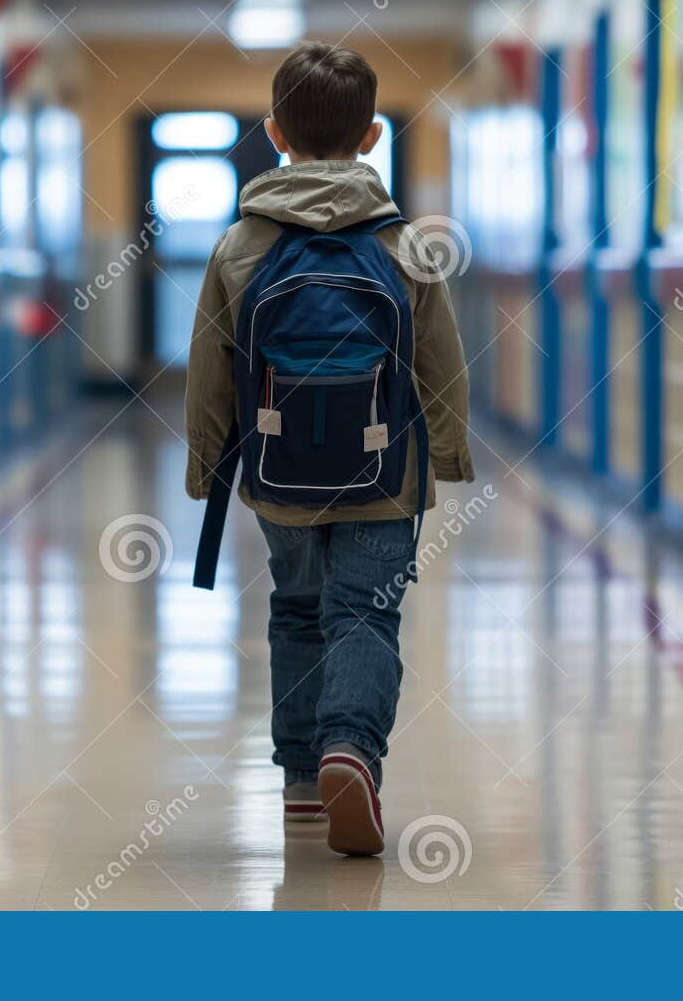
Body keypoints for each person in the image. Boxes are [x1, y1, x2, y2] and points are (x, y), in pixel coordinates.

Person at [184, 42, 474, 856]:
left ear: (275, 132)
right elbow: (441, 362)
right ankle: (354, 748)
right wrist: (446, 456)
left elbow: (210, 366)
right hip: (384, 474)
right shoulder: (405, 243)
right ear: (373, 136)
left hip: (279, 477)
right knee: (366, 614)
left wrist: (207, 462)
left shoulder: (240, 246)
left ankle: (304, 780)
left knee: (295, 609)